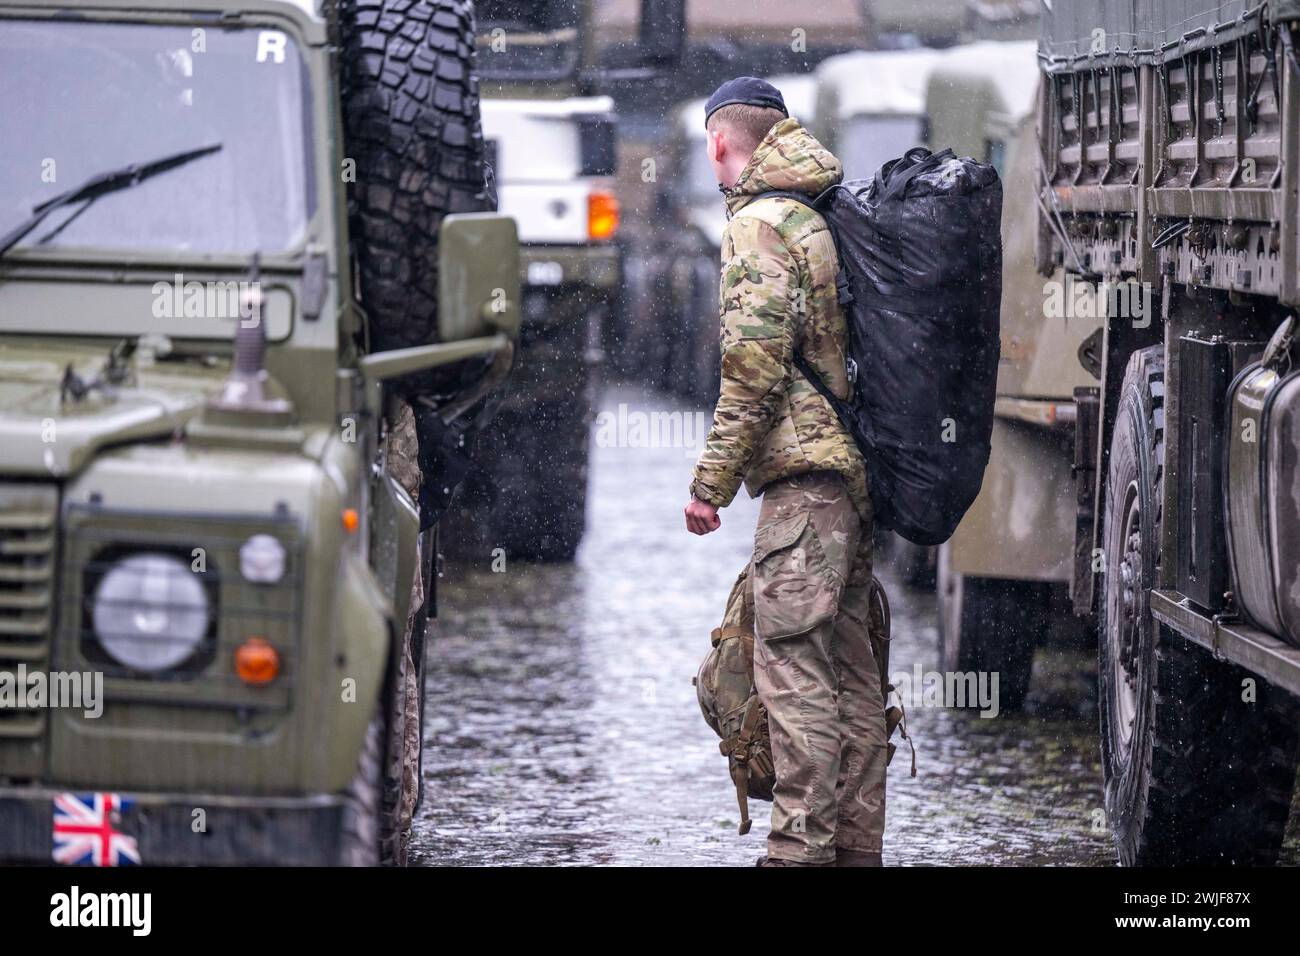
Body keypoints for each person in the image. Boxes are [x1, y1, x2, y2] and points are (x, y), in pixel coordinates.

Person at [684, 77, 888, 867]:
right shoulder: (816, 213)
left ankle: (797, 851)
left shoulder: (759, 227)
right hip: (848, 480)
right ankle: (856, 849)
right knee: (850, 675)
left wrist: (710, 485)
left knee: (793, 670)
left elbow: (752, 370)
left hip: (802, 484)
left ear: (717, 143)